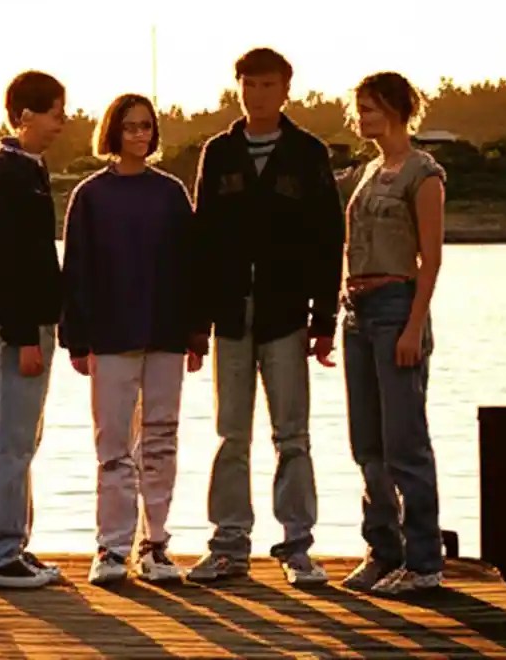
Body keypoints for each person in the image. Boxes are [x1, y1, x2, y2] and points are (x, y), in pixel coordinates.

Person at [186, 48, 344, 586]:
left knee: (292, 435)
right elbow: (202, 239)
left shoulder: (307, 153)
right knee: (231, 435)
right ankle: (228, 544)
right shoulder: (219, 152)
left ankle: (297, 546)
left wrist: (325, 320)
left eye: (267, 85)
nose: (257, 95)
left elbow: (328, 239)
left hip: (287, 314)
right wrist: (196, 324)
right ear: (238, 88)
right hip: (230, 315)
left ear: (285, 90)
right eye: (248, 85)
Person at [59, 93, 205, 585]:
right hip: (111, 337)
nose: (140, 135)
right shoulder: (90, 196)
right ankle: (111, 548)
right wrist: (76, 340)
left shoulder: (171, 193)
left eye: (146, 126)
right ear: (113, 132)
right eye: (130, 127)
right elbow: (76, 270)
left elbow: (191, 265)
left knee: (161, 439)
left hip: (166, 334)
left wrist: (196, 334)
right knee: (114, 447)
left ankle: (155, 544)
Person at [338, 71, 446, 595]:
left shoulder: (423, 173)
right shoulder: (366, 172)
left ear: (399, 109)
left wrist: (413, 327)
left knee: (405, 442)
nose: (363, 117)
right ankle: (384, 551)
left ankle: (424, 562)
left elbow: (431, 258)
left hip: (396, 307)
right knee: (367, 442)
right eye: (360, 108)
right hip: (356, 312)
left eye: (372, 108)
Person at [0, 70, 68, 588]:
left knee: (22, 437)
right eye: (55, 114)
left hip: (26, 326)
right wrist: (22, 334)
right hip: (14, 332)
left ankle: (12, 544)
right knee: (9, 439)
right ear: (25, 115)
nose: (62, 124)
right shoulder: (4, 175)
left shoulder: (29, 169)